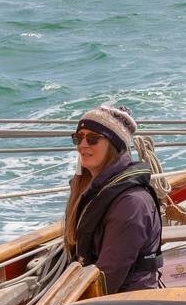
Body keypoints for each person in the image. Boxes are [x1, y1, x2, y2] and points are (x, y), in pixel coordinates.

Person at [63, 105, 164, 294]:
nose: (82, 145)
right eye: (78, 137)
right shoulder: (94, 192)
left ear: (114, 145)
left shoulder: (131, 203)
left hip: (126, 304)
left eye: (92, 139)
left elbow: (109, 275)